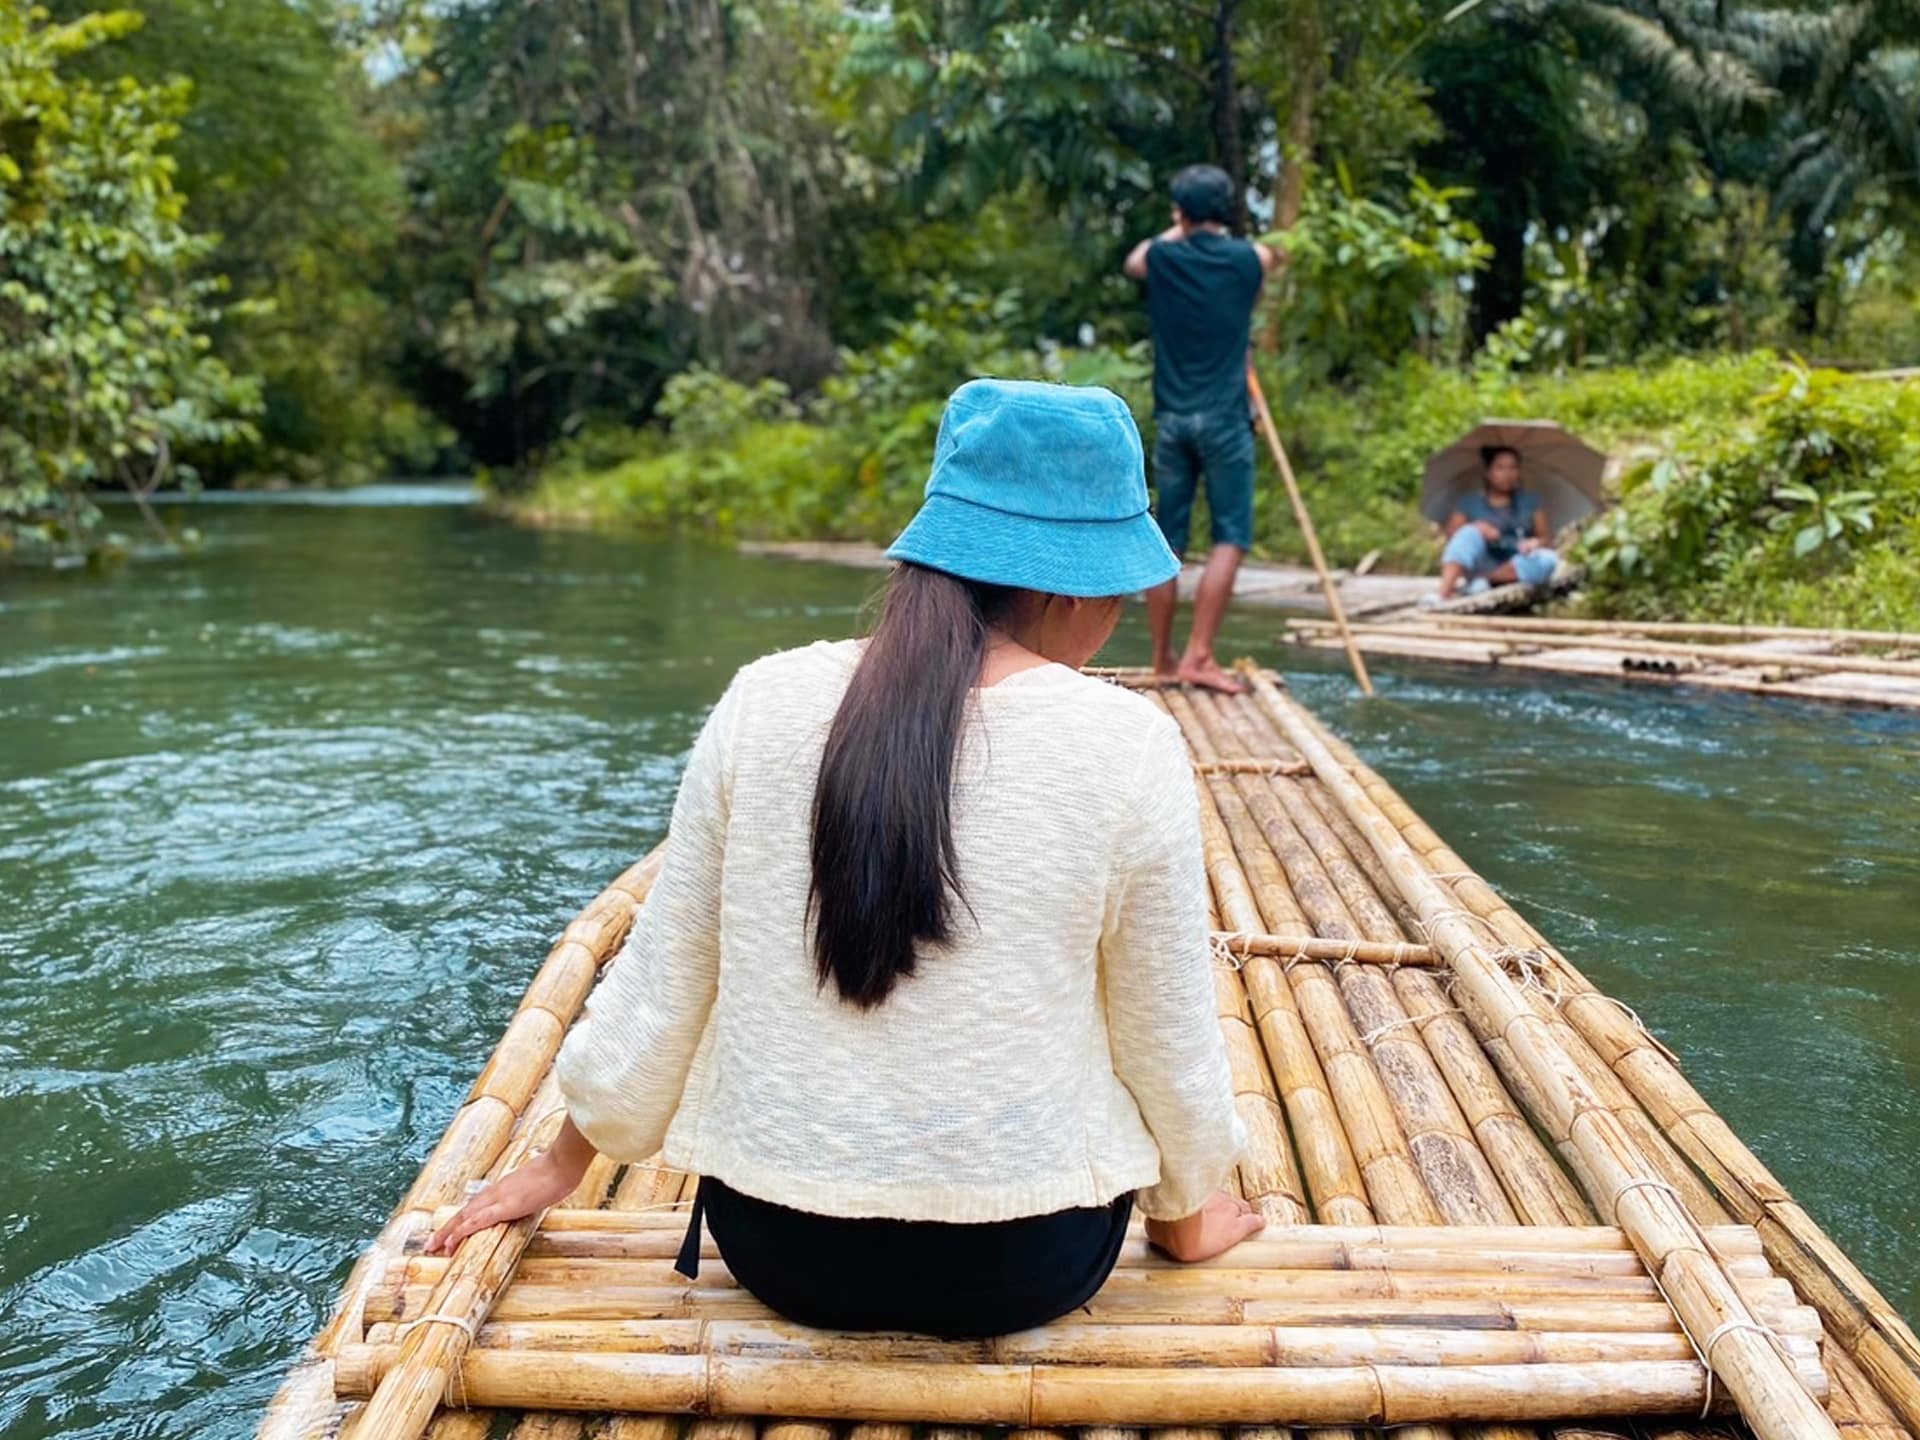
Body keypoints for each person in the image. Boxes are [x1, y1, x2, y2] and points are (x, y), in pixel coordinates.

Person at [428, 379, 1259, 1339]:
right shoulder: (1128, 742)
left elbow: (669, 975)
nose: (1119, 609)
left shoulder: (763, 699)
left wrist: (561, 1165)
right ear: (1065, 585)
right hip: (1026, 1263)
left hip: (783, 1251)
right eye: (1119, 587)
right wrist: (1189, 1211)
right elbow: (1166, 1029)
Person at [1124, 163, 1280, 694]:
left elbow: (1134, 261)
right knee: (1229, 535)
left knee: (1168, 540)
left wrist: (1179, 226)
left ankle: (1164, 658)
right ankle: (1200, 655)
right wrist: (1202, 222)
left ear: (1181, 213)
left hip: (1174, 420)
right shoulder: (1247, 259)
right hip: (1226, 419)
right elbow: (1265, 258)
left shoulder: (1164, 256)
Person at [1432, 445, 1558, 601]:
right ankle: (1443, 594)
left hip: (1517, 562)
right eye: (1500, 468)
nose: (1508, 474)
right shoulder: (1469, 502)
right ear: (1487, 473)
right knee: (1468, 533)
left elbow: (1546, 540)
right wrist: (1477, 528)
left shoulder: (1531, 501)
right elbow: (1454, 539)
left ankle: (1488, 579)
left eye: (1513, 468)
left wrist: (1534, 543)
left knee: (1549, 559)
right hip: (1482, 560)